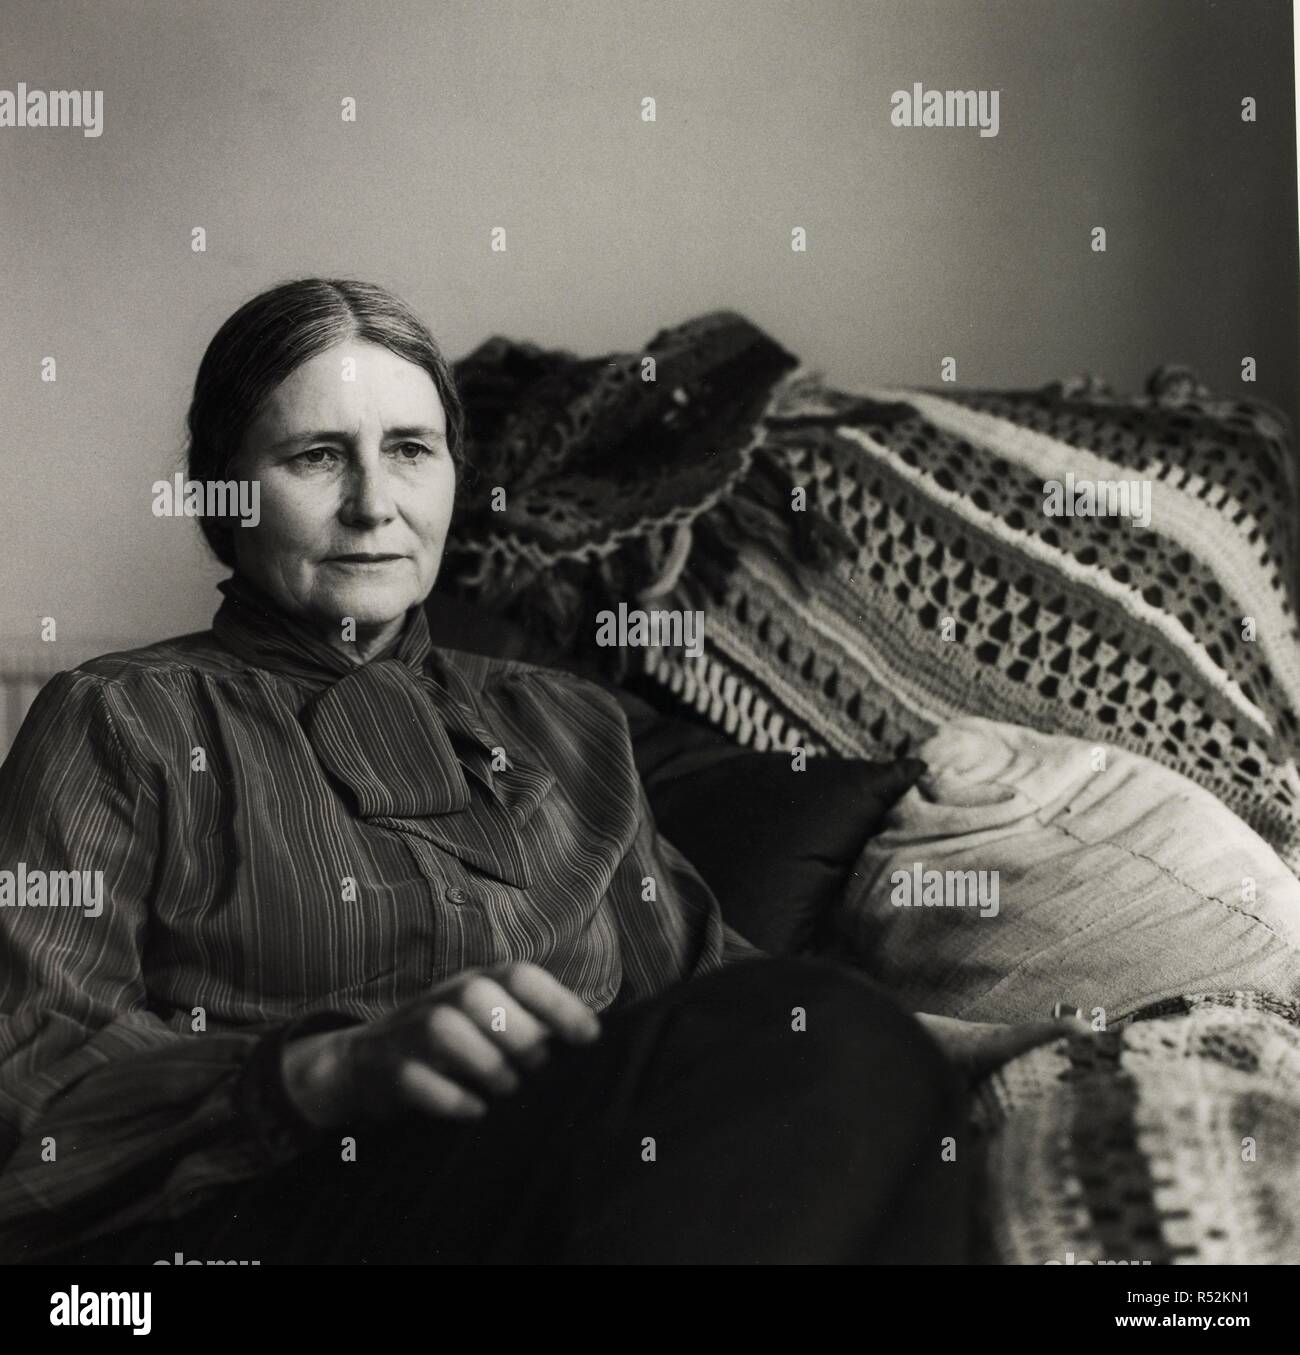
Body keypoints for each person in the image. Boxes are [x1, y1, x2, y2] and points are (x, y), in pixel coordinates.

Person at [0, 279, 1073, 1265]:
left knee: (878, 1084)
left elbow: (739, 1006)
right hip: (269, 1218)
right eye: (317, 456)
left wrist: (1012, 1046)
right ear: (224, 497)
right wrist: (324, 1072)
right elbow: (28, 1088)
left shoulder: (564, 724)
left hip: (585, 1197)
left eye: (412, 450)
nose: (375, 503)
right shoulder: (122, 719)